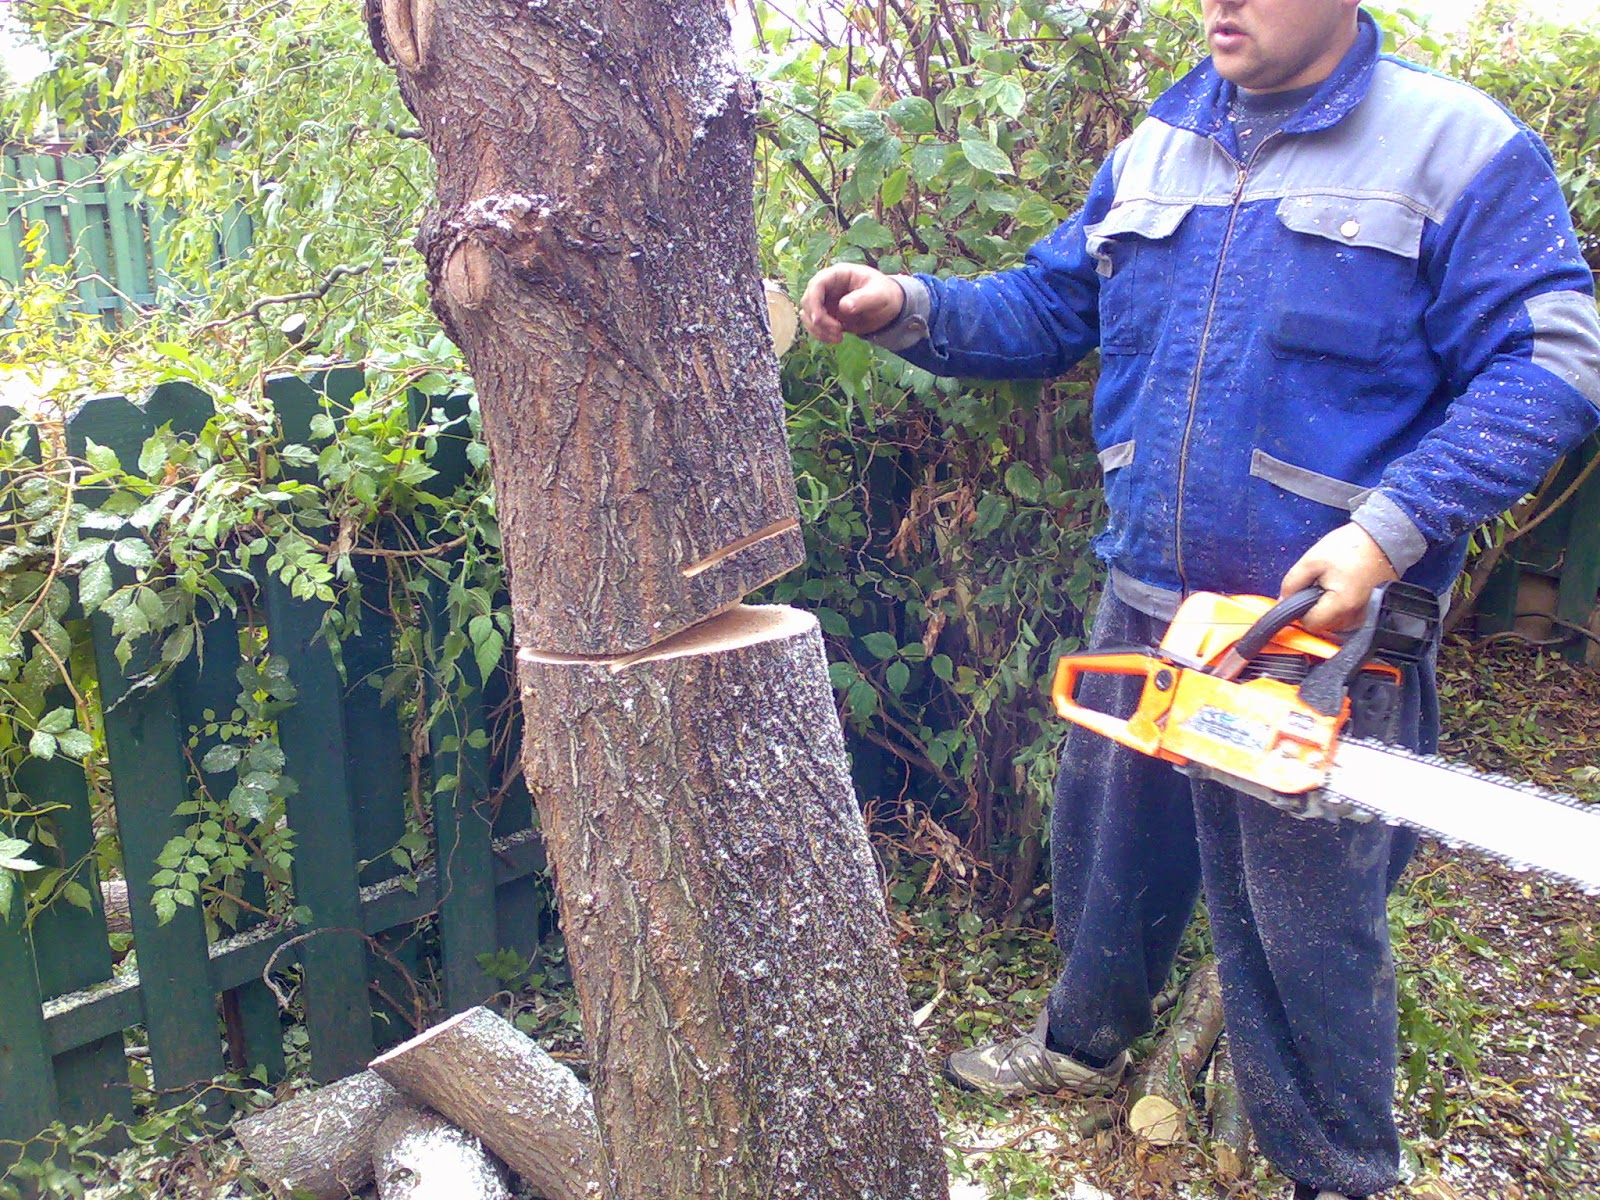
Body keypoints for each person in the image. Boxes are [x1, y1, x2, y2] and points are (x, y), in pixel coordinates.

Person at [799, 1, 1600, 1197]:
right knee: (1106, 846)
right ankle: (1082, 1046)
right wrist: (908, 307)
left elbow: (1553, 359)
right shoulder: (1158, 144)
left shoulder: (1456, 147)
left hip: (1317, 631)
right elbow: (1052, 305)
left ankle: (1340, 1170)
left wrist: (1384, 536)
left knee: (1307, 929)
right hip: (1144, 593)